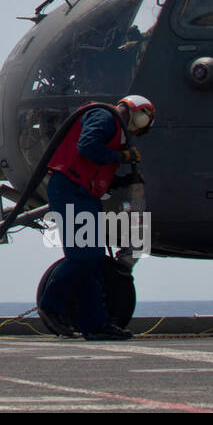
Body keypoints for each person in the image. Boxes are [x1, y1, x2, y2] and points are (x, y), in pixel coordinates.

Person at [38, 95, 155, 341]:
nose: (135, 131)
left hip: (82, 193)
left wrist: (123, 179)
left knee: (91, 264)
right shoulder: (106, 116)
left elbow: (93, 165)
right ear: (139, 111)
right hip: (71, 190)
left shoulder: (112, 125)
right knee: (85, 256)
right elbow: (88, 147)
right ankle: (51, 305)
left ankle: (96, 325)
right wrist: (123, 158)